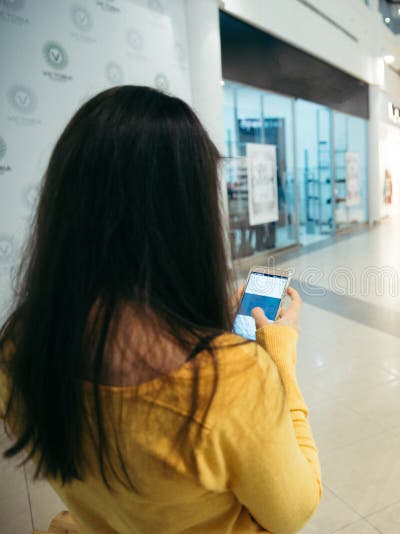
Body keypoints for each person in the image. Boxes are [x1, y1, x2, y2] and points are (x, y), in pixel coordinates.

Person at [0, 86, 321, 533]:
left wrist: (202, 330)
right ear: (186, 215)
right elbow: (294, 511)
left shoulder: (18, 345)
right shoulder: (231, 380)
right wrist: (280, 360)